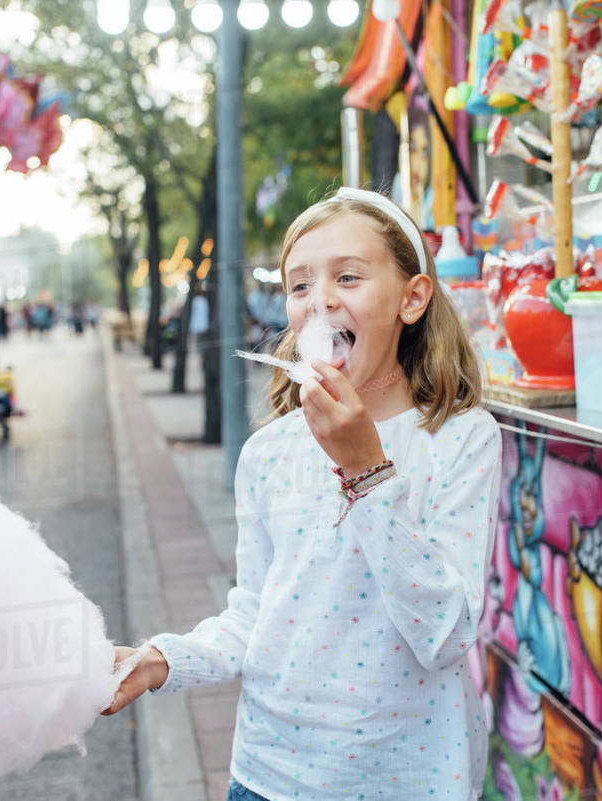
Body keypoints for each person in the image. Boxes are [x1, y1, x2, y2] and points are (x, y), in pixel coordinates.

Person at [104, 187, 499, 800]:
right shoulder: (268, 453)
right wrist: (163, 660)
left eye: (347, 277)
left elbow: (443, 635)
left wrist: (367, 470)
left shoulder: (461, 439)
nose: (321, 302)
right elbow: (257, 615)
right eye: (300, 286)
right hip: (270, 776)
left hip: (411, 779)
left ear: (413, 298)